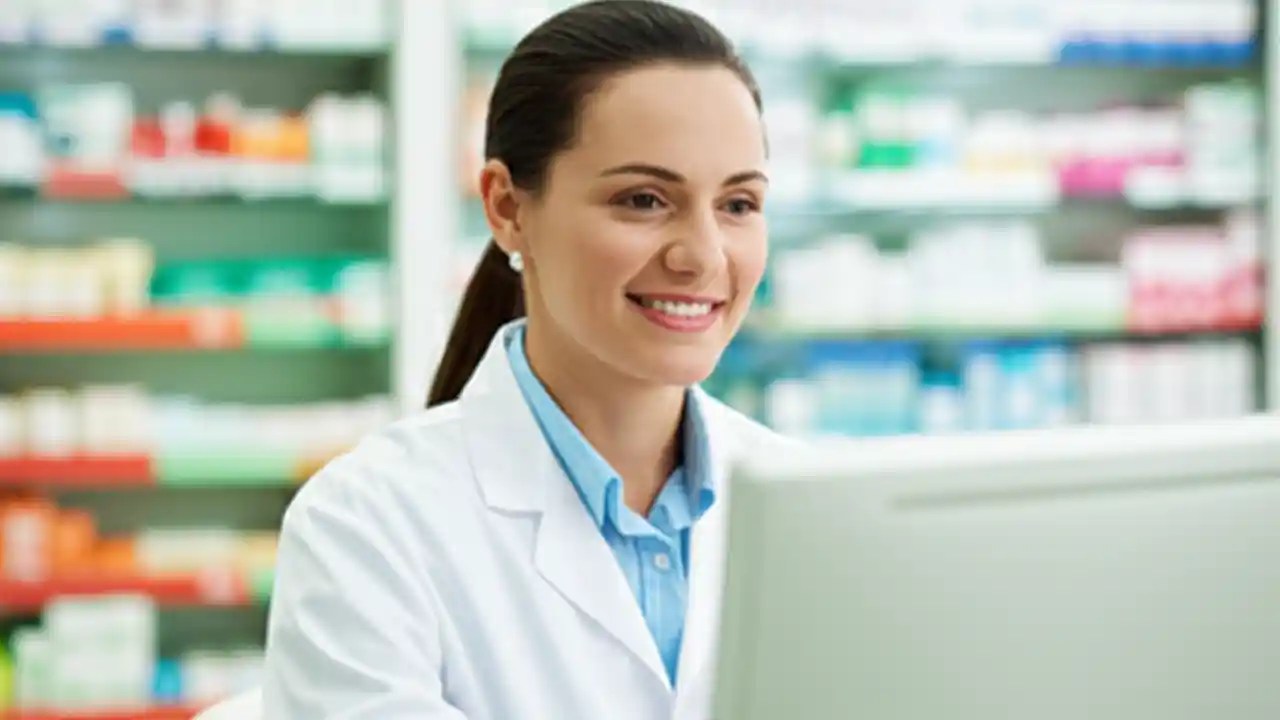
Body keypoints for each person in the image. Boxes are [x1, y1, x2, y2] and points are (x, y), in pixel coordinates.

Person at [261, 1, 788, 718]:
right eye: (643, 199)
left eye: (738, 204)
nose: (701, 256)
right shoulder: (365, 527)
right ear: (508, 207)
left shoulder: (802, 503)